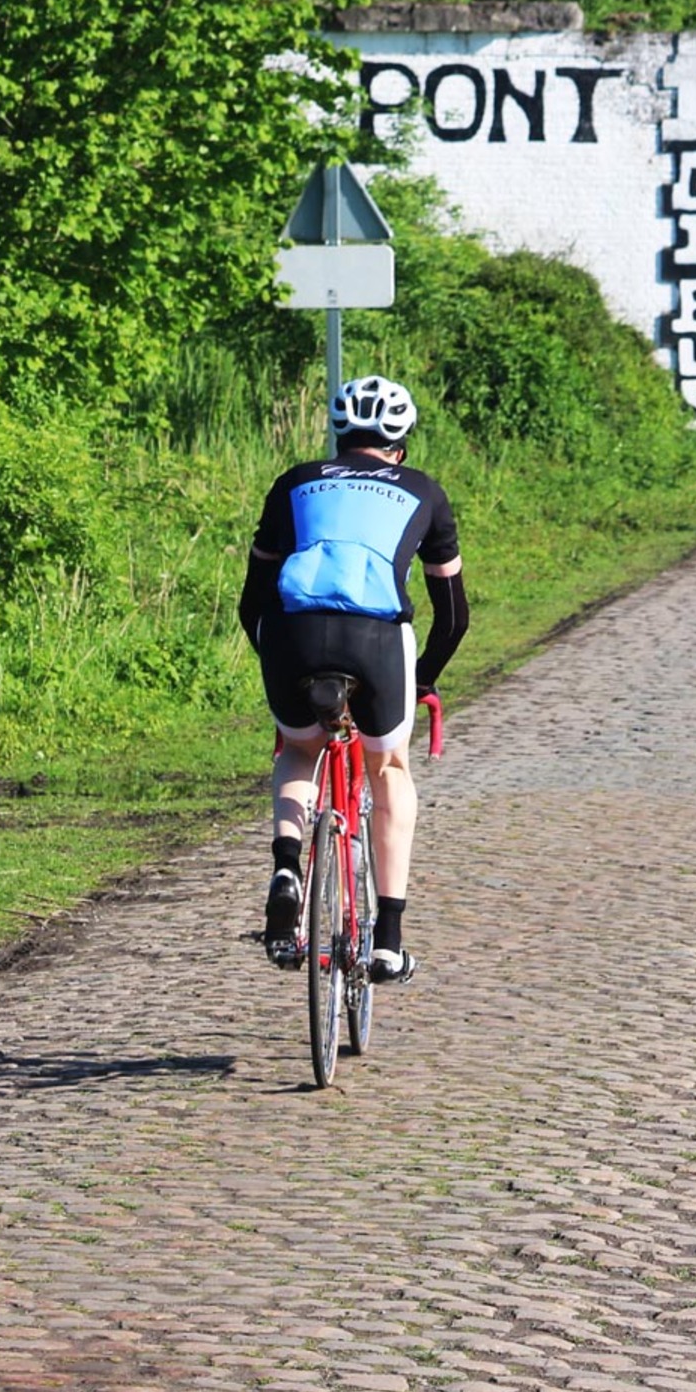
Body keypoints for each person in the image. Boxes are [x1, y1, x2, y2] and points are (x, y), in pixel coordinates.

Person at [238, 375, 468, 983]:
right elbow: (453, 616)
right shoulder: (424, 490)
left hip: (292, 634)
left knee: (298, 750)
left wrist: (276, 663)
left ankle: (288, 865)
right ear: (402, 443)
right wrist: (420, 680)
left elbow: (252, 604)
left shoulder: (294, 482)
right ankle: (388, 940)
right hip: (374, 639)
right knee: (388, 769)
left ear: (339, 436)